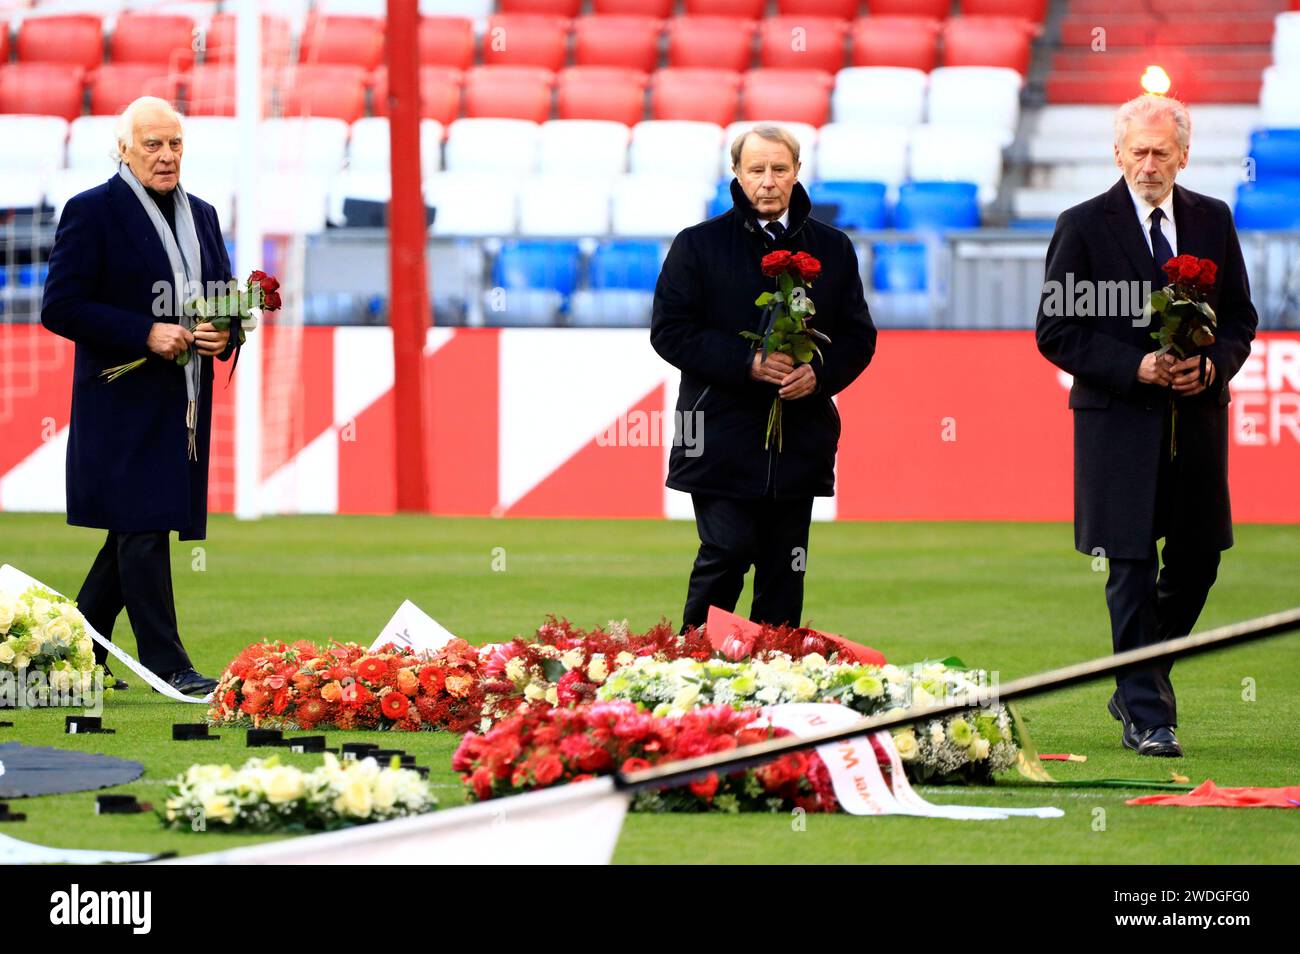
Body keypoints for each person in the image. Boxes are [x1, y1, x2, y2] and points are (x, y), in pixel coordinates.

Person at [1035, 94, 1258, 756]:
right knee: (1128, 563)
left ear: (1183, 156)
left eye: (1163, 152)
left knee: (1198, 561)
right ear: (1118, 153)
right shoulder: (1081, 224)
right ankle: (1148, 716)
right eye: (1139, 151)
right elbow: (1055, 331)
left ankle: (1134, 673)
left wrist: (1212, 367)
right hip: (1116, 425)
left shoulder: (1213, 220)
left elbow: (1240, 320)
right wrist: (1137, 367)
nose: (1150, 164)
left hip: (1196, 424)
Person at [41, 96, 237, 696]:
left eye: (175, 143)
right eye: (152, 144)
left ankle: (67, 656)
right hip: (120, 399)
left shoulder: (203, 214)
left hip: (183, 402)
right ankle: (167, 663)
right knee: (143, 526)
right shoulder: (90, 211)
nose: (167, 154)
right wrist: (141, 330)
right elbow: (60, 306)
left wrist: (223, 331)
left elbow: (225, 296)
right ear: (122, 149)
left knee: (134, 528)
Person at [651, 124, 877, 632]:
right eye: (756, 170)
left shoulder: (835, 248)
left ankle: (776, 688)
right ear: (736, 173)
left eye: (779, 169)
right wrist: (746, 363)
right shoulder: (698, 245)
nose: (768, 181)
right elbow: (669, 332)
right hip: (715, 434)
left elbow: (859, 339)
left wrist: (817, 375)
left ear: (797, 173)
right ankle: (692, 665)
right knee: (727, 551)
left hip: (799, 439)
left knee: (784, 572)